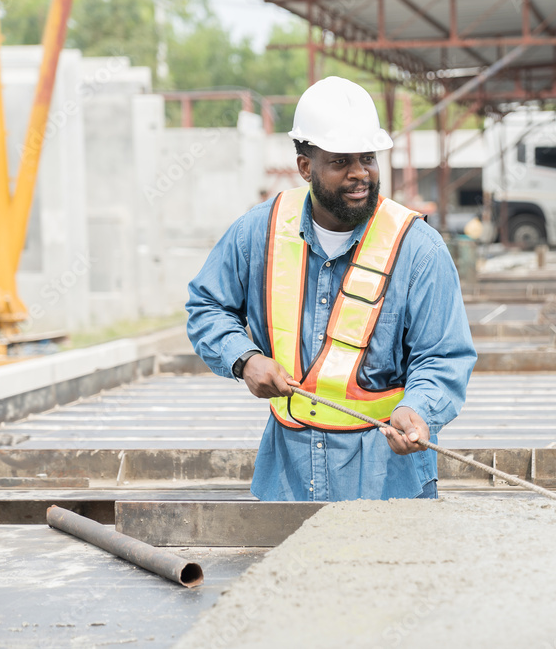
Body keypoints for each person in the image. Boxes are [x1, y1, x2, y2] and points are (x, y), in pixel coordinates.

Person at [186, 77, 476, 502]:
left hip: (386, 479)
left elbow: (443, 355)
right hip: (289, 474)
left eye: (368, 159)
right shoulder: (260, 232)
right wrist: (244, 359)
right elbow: (207, 306)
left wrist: (419, 410)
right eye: (341, 162)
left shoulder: (418, 249)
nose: (360, 174)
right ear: (306, 167)